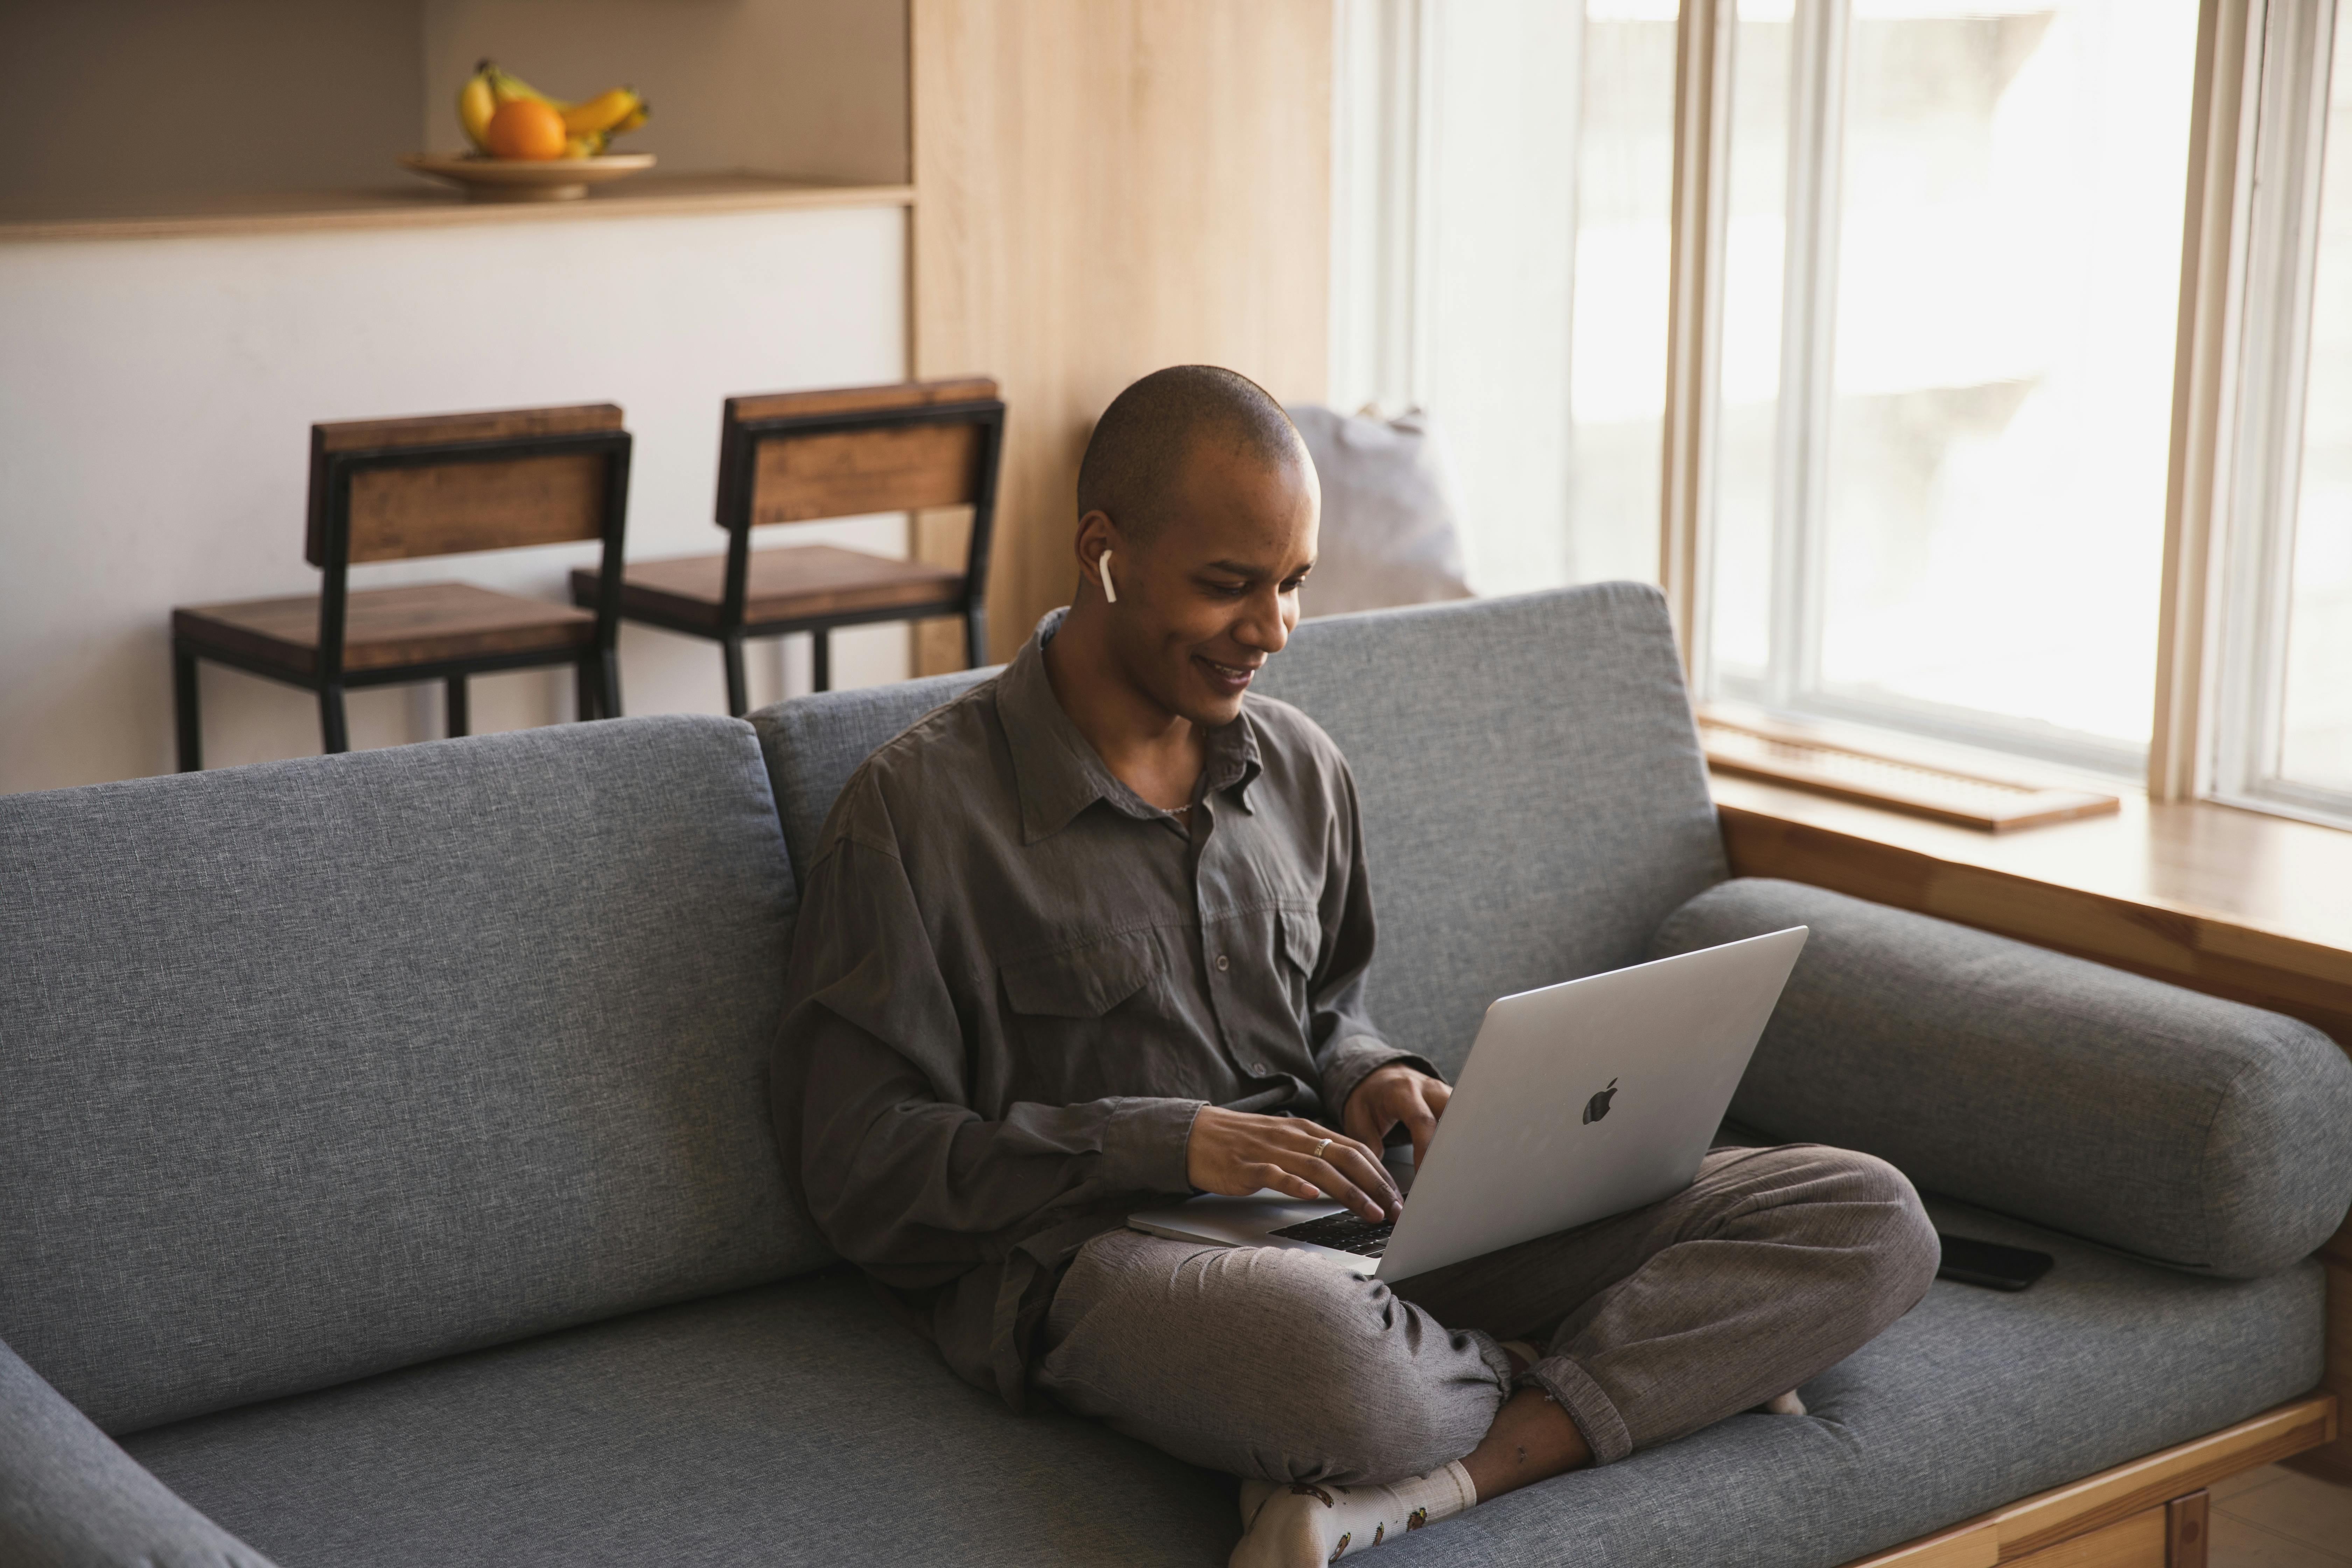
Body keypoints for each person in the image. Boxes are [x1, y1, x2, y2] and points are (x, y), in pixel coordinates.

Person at [770, 365, 1939, 1566]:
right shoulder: (914, 815)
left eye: (1291, 584)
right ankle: (1638, 1367)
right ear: (1101, 550)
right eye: (1229, 584)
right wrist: (1165, 1142)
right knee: (1342, 1376)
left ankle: (1457, 1461)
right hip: (1113, 1256)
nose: (1273, 630)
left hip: (1359, 1228)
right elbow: (861, 1171)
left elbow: (1330, 1011)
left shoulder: (1300, 767)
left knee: (1867, 1216)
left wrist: (1369, 1074)